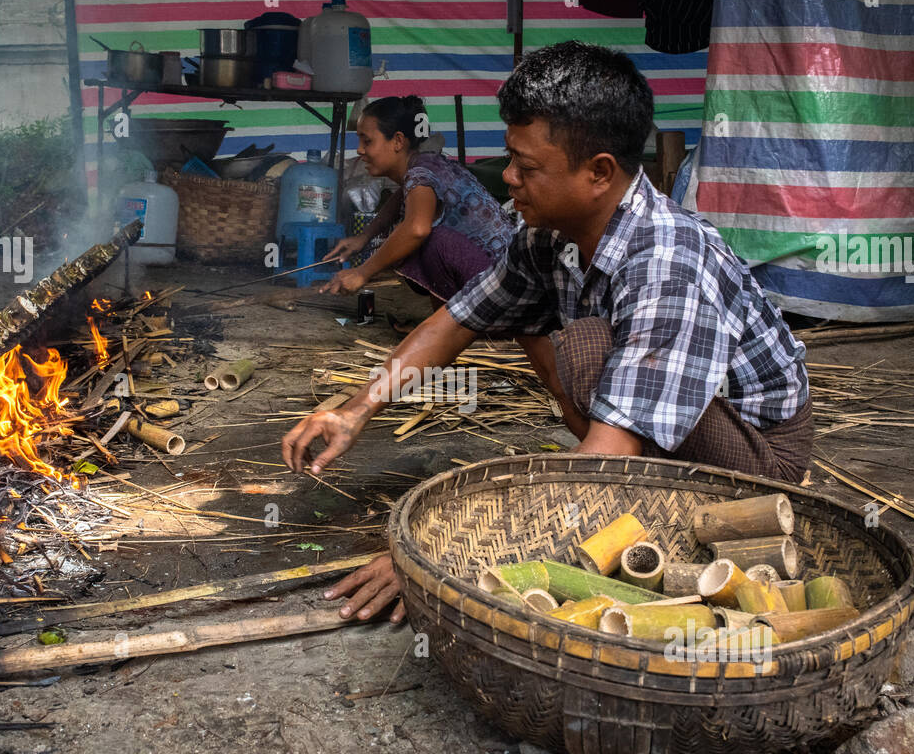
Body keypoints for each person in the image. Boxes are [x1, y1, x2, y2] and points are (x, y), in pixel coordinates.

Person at [286, 41, 812, 625]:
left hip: (759, 460)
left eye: (526, 167)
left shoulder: (668, 259)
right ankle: (612, 491)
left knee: (588, 358)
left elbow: (609, 452)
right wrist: (358, 408)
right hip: (669, 425)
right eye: (510, 158)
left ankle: (631, 506)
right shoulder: (549, 234)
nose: (507, 177)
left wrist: (448, 560)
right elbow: (462, 317)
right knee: (586, 364)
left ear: (599, 172)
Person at [318, 95, 516, 309]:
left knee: (430, 241)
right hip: (502, 278)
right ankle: (445, 324)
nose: (359, 150)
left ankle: (450, 327)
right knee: (415, 240)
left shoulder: (420, 173)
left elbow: (417, 229)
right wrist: (364, 237)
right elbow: (401, 197)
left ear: (398, 141)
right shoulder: (424, 164)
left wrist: (362, 272)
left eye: (367, 141)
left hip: (504, 292)